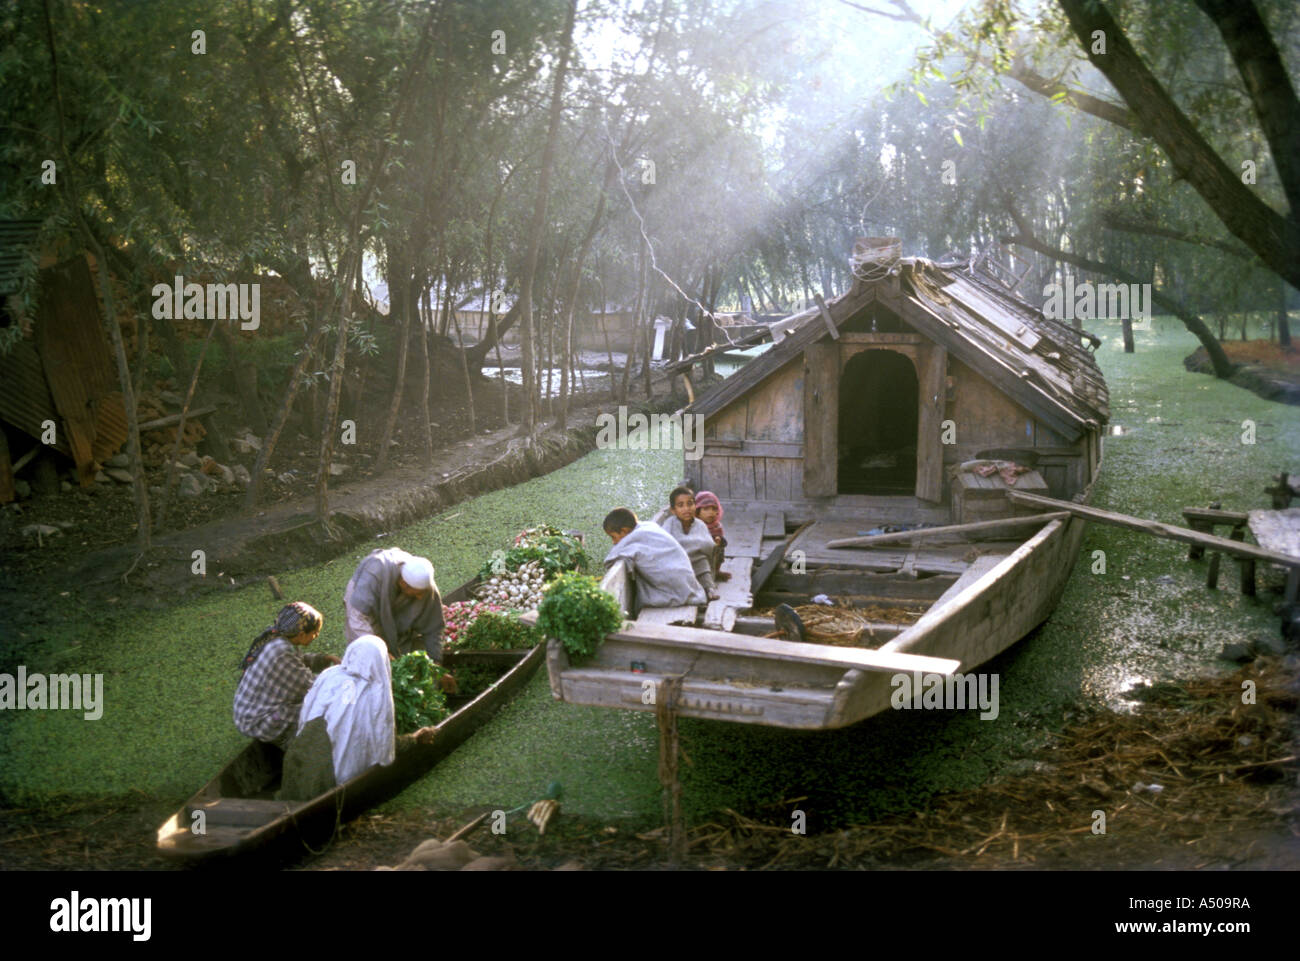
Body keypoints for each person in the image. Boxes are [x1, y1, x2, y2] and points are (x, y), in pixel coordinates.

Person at [288, 635, 396, 790]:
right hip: (343, 774)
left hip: (302, 754)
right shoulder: (378, 692)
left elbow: (306, 709)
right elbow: (382, 738)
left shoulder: (329, 674)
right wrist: (385, 761)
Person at [233, 602, 339, 749]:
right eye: (315, 632)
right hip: (257, 720)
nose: (316, 636)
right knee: (316, 709)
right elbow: (311, 686)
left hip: (248, 710)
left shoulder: (278, 639)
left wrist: (324, 659)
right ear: (301, 634)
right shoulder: (281, 655)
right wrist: (340, 680)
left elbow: (299, 661)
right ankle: (290, 743)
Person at [343, 548, 445, 659]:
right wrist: (381, 654)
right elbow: (357, 619)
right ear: (403, 584)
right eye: (417, 593)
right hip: (361, 602)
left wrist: (436, 659)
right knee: (367, 652)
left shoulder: (423, 582)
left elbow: (434, 627)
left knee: (397, 641)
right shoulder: (373, 574)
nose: (420, 597)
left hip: (393, 595)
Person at [603, 507, 706, 612]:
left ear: (624, 531)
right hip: (686, 581)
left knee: (648, 599)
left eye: (613, 536)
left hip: (677, 584)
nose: (614, 542)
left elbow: (610, 558)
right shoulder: (647, 526)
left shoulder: (638, 535)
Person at [660, 486, 720, 600]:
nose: (686, 509)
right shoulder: (669, 524)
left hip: (697, 563)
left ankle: (709, 589)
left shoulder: (700, 524)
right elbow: (664, 544)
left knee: (702, 562)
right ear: (673, 510)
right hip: (677, 564)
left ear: (695, 506)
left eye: (690, 504)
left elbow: (708, 546)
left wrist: (712, 545)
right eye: (681, 505)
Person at [693, 489, 731, 583]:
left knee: (720, 546)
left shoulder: (716, 526)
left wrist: (718, 540)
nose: (710, 512)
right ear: (698, 511)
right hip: (699, 556)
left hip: (714, 554)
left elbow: (719, 539)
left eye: (714, 509)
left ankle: (716, 571)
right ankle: (703, 574)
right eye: (706, 509)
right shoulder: (695, 525)